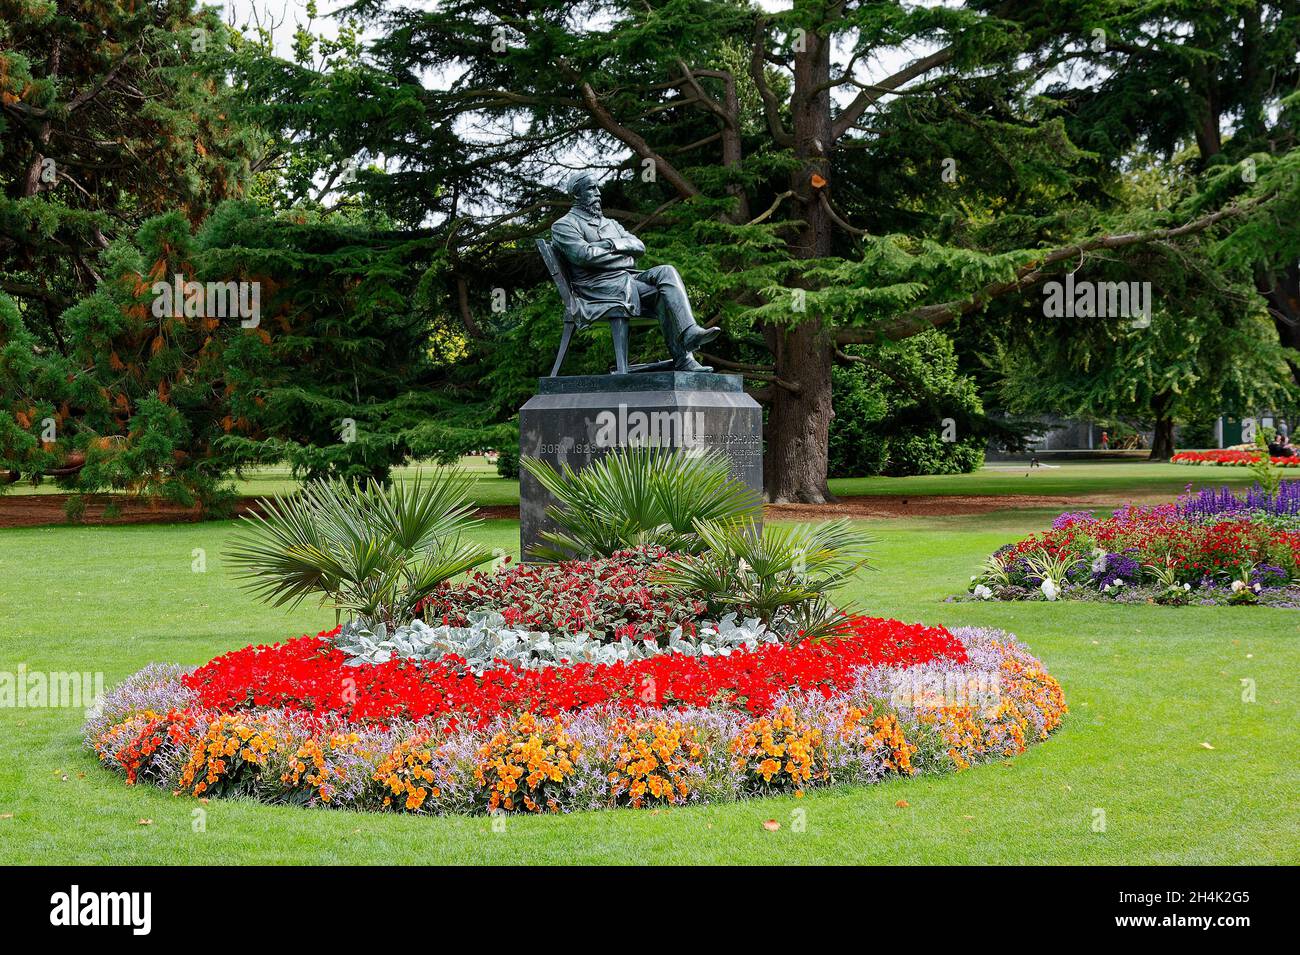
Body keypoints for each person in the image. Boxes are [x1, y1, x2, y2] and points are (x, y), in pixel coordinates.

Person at [550, 173, 720, 372]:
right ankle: (682, 359)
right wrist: (624, 255)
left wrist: (609, 244)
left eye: (597, 188)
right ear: (577, 195)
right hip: (596, 288)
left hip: (626, 279)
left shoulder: (611, 224)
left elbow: (639, 246)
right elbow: (584, 255)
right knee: (660, 294)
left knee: (666, 271)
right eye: (591, 189)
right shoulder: (564, 225)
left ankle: (690, 333)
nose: (598, 193)